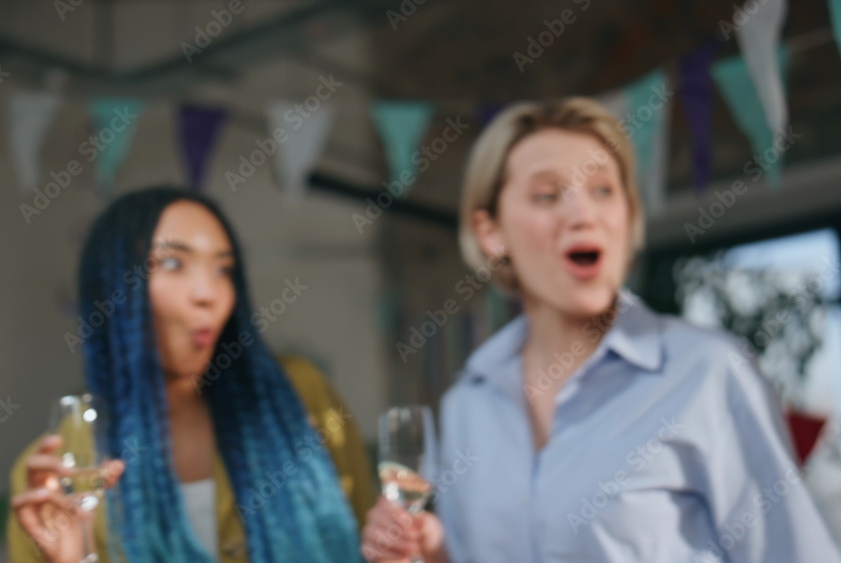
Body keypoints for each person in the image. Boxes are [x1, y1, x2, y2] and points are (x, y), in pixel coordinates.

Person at [360, 97, 841, 562]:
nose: (582, 214)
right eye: (547, 195)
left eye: (603, 190)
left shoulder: (709, 372)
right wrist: (428, 549)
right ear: (492, 233)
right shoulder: (467, 402)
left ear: (628, 215)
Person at [8, 186, 375, 562]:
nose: (208, 292)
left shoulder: (297, 394)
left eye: (223, 269)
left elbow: (372, 544)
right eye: (172, 263)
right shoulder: (56, 475)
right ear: (109, 292)